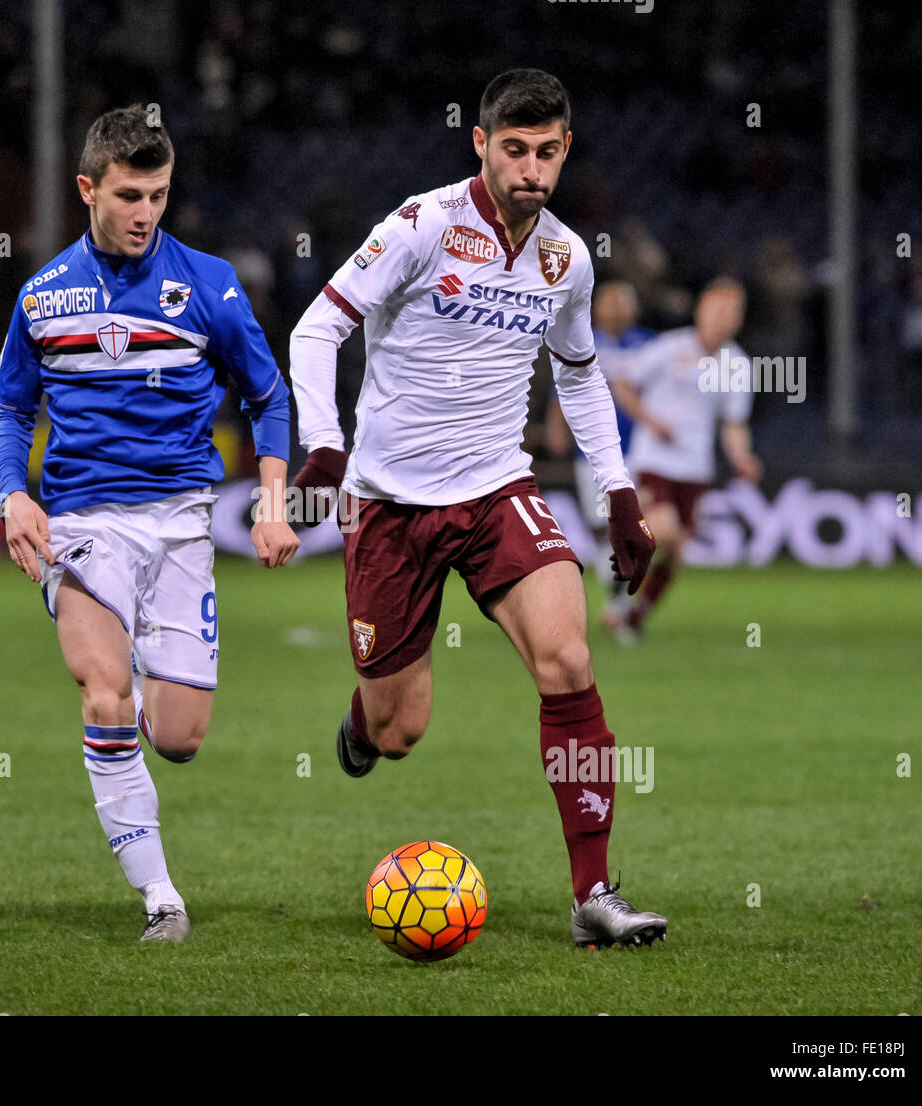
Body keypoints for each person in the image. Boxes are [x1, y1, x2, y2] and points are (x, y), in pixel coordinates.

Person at [289, 69, 667, 948]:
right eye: (514, 149)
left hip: (499, 488)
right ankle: (362, 718)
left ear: (565, 149)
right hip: (387, 503)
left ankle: (594, 894)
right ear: (481, 145)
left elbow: (578, 372)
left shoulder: (567, 259)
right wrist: (323, 442)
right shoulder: (422, 227)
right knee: (400, 728)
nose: (531, 168)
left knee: (569, 658)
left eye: (547, 151)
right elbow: (318, 327)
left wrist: (617, 492)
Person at [0, 106, 298, 942]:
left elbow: (269, 398)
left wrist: (271, 501)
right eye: (129, 195)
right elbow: (10, 409)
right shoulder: (45, 294)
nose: (145, 213)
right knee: (104, 690)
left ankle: (142, 695)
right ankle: (163, 898)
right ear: (88, 188)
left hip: (183, 525)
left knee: (179, 737)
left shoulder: (207, 283)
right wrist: (12, 495)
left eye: (158, 195)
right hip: (85, 521)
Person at [610, 278, 763, 641]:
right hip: (655, 462)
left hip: (695, 470)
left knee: (675, 555)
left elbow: (733, 424)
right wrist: (650, 420)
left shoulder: (737, 364)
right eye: (716, 310)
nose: (722, 319)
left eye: (730, 313)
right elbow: (622, 384)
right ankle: (619, 587)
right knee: (662, 532)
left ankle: (634, 616)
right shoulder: (669, 347)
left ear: (738, 320)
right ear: (700, 311)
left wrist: (742, 457)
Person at [544, 280, 654, 624]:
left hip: (643, 451)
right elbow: (562, 387)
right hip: (590, 453)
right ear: (596, 307)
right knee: (599, 524)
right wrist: (556, 429)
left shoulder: (650, 345)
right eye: (609, 302)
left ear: (634, 309)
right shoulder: (581, 338)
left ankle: (618, 597)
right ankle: (615, 591)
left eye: (623, 303)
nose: (616, 309)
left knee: (633, 520)